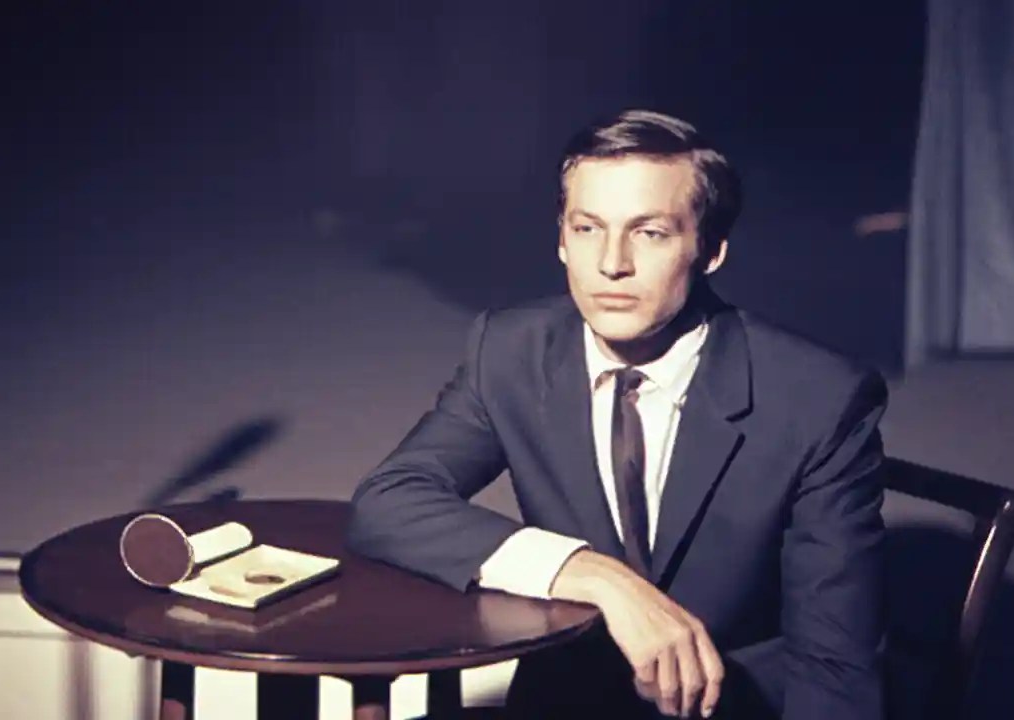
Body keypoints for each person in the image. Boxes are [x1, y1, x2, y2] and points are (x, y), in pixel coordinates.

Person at [346, 110, 886, 719]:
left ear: (709, 251)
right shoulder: (510, 349)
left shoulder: (818, 397)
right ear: (560, 239)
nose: (611, 264)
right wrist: (598, 577)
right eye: (587, 228)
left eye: (649, 233)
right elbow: (389, 501)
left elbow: (835, 669)